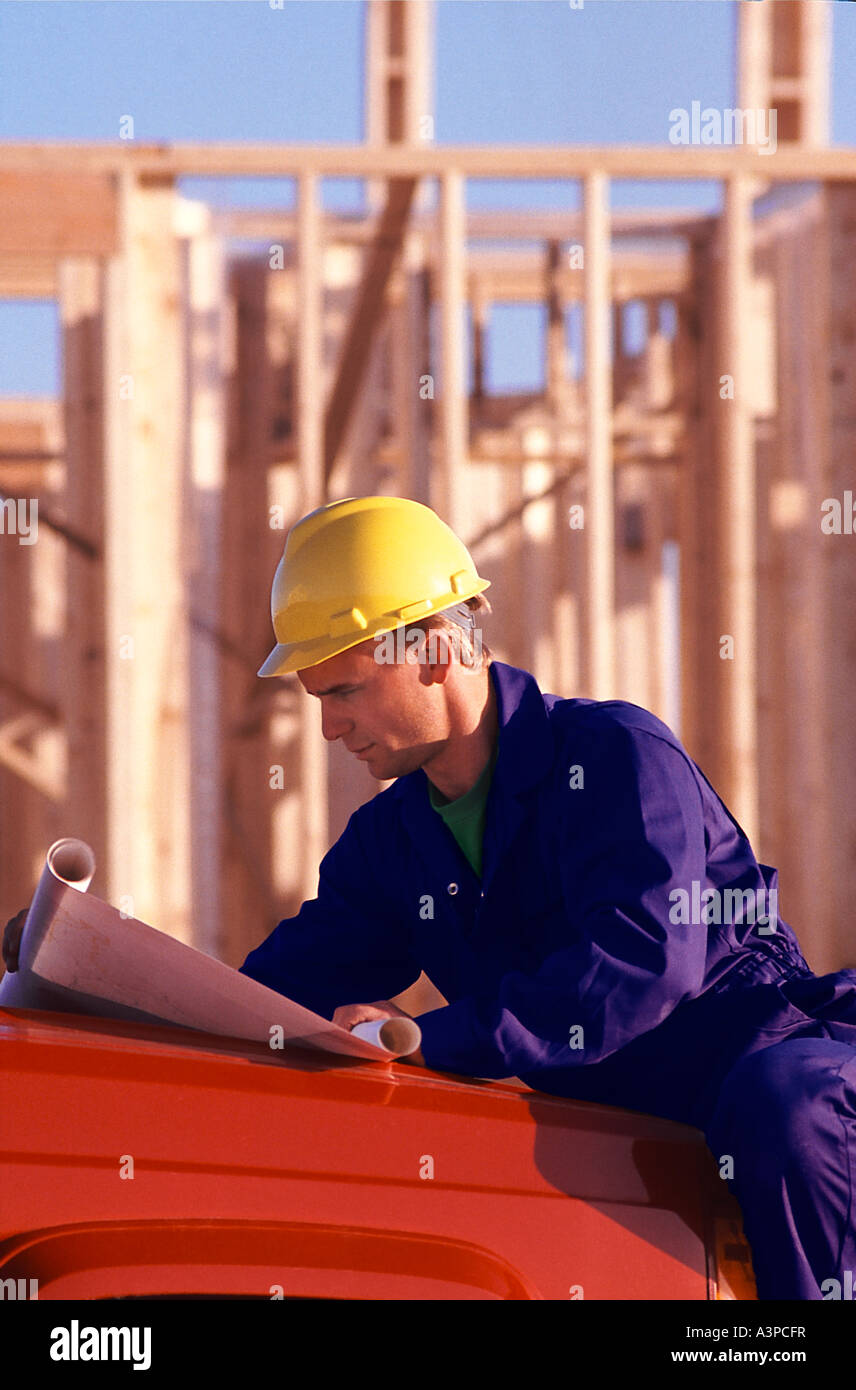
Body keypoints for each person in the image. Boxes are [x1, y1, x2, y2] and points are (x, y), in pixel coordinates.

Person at [4, 494, 856, 1300]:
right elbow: (270, 1001)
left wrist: (419, 1039)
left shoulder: (616, 756)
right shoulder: (393, 842)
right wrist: (104, 990)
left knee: (788, 1109)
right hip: (611, 1109)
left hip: (759, 1050)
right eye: (318, 699)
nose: (329, 727)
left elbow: (639, 966)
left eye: (343, 691)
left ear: (437, 651)